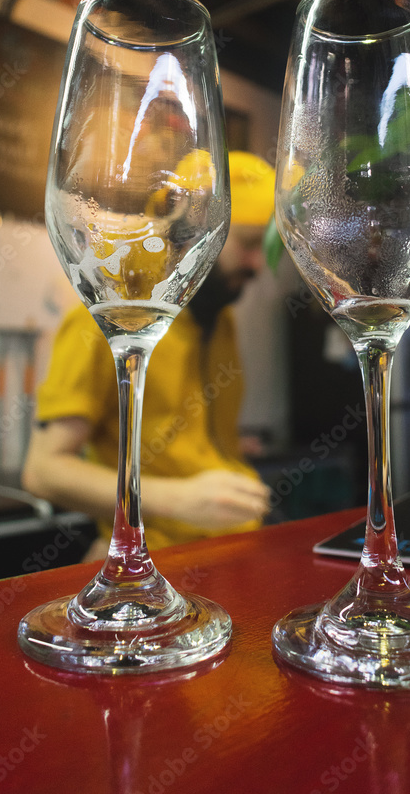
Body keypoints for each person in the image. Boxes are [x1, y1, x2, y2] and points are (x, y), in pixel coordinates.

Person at [22, 151, 275, 554]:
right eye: (247, 244)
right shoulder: (105, 319)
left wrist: (223, 450)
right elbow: (44, 470)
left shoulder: (219, 322)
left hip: (237, 546)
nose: (258, 264)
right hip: (151, 557)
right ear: (188, 230)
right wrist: (178, 499)